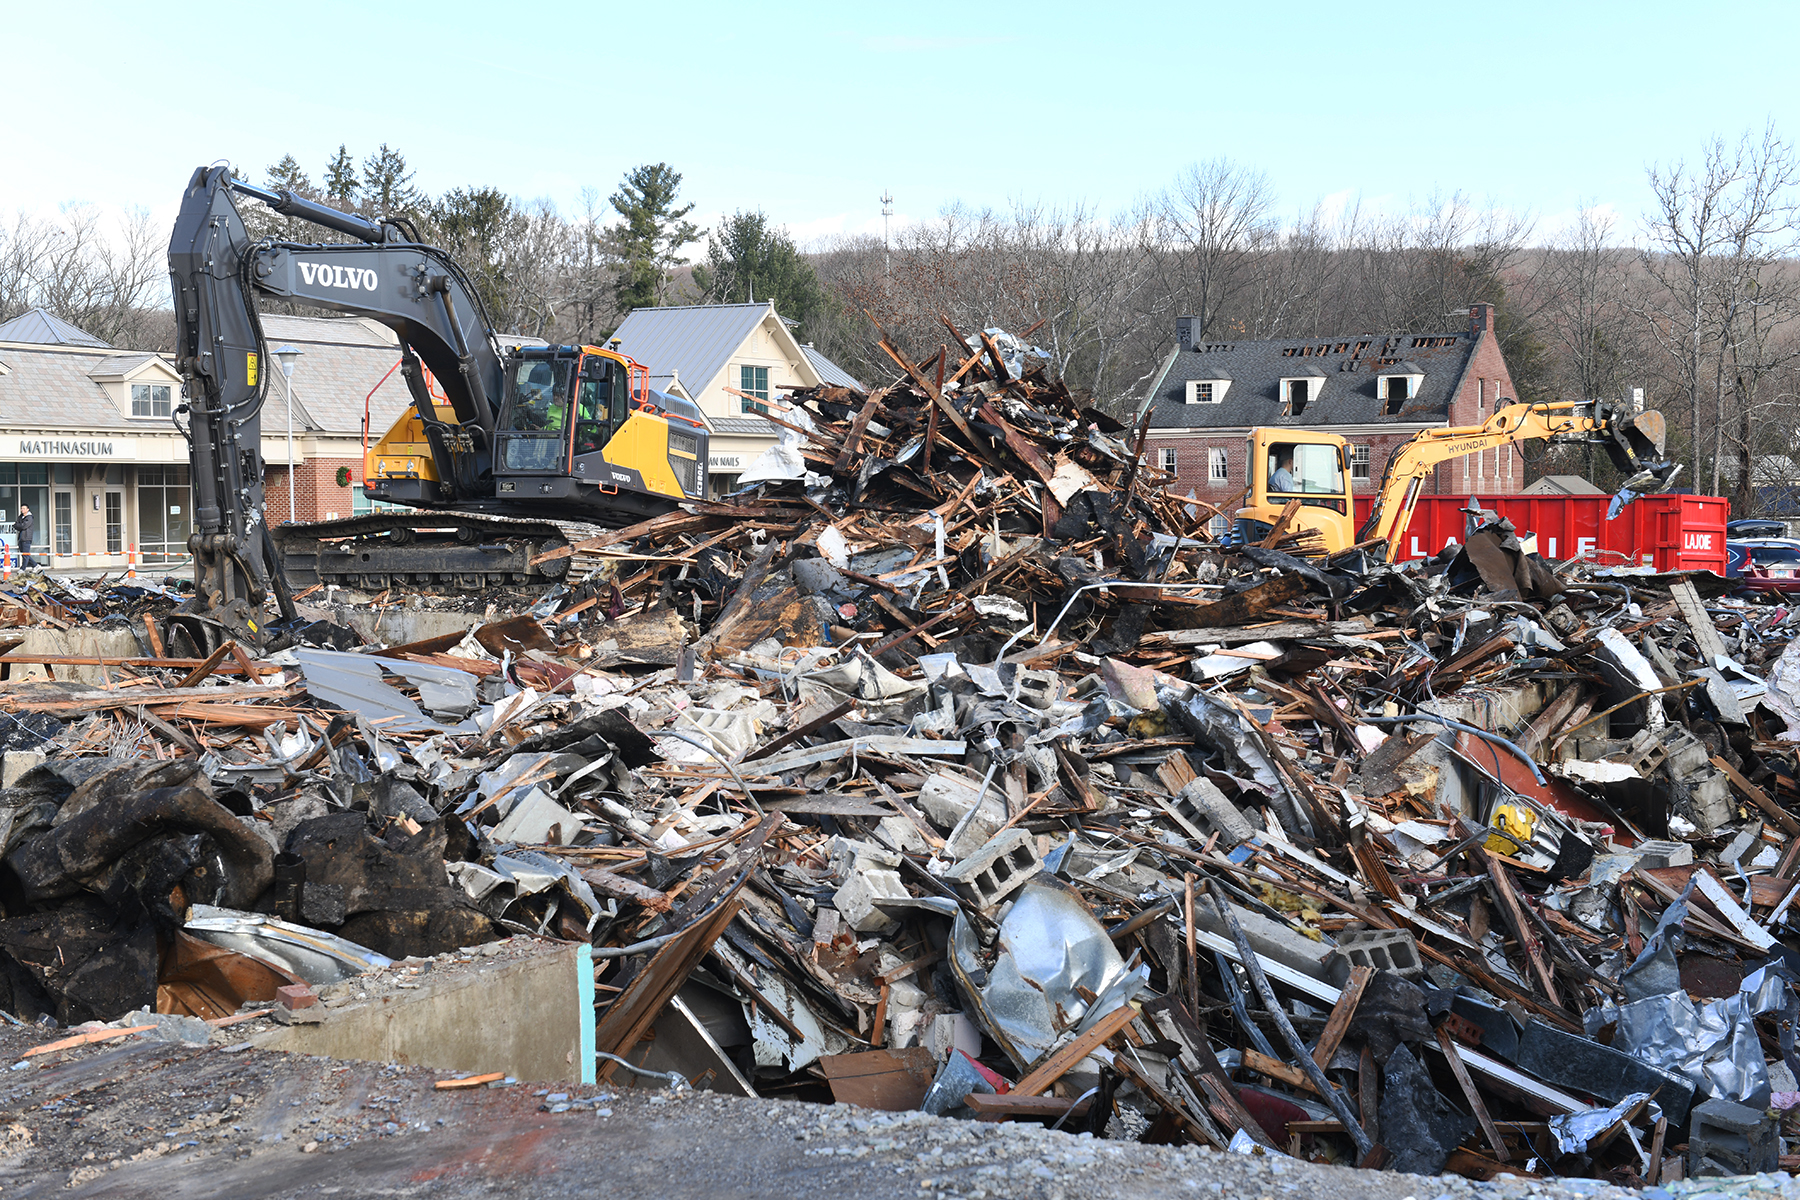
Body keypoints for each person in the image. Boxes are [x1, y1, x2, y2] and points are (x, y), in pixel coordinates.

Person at [14, 504, 33, 568]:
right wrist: (19, 526)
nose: (22, 510)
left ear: (28, 509)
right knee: (24, 554)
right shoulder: (20, 517)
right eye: (21, 508)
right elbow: (16, 525)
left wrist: (19, 525)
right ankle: (35, 565)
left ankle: (23, 568)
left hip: (26, 538)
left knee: (25, 554)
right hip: (21, 538)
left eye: (24, 508)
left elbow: (24, 526)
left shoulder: (29, 518)